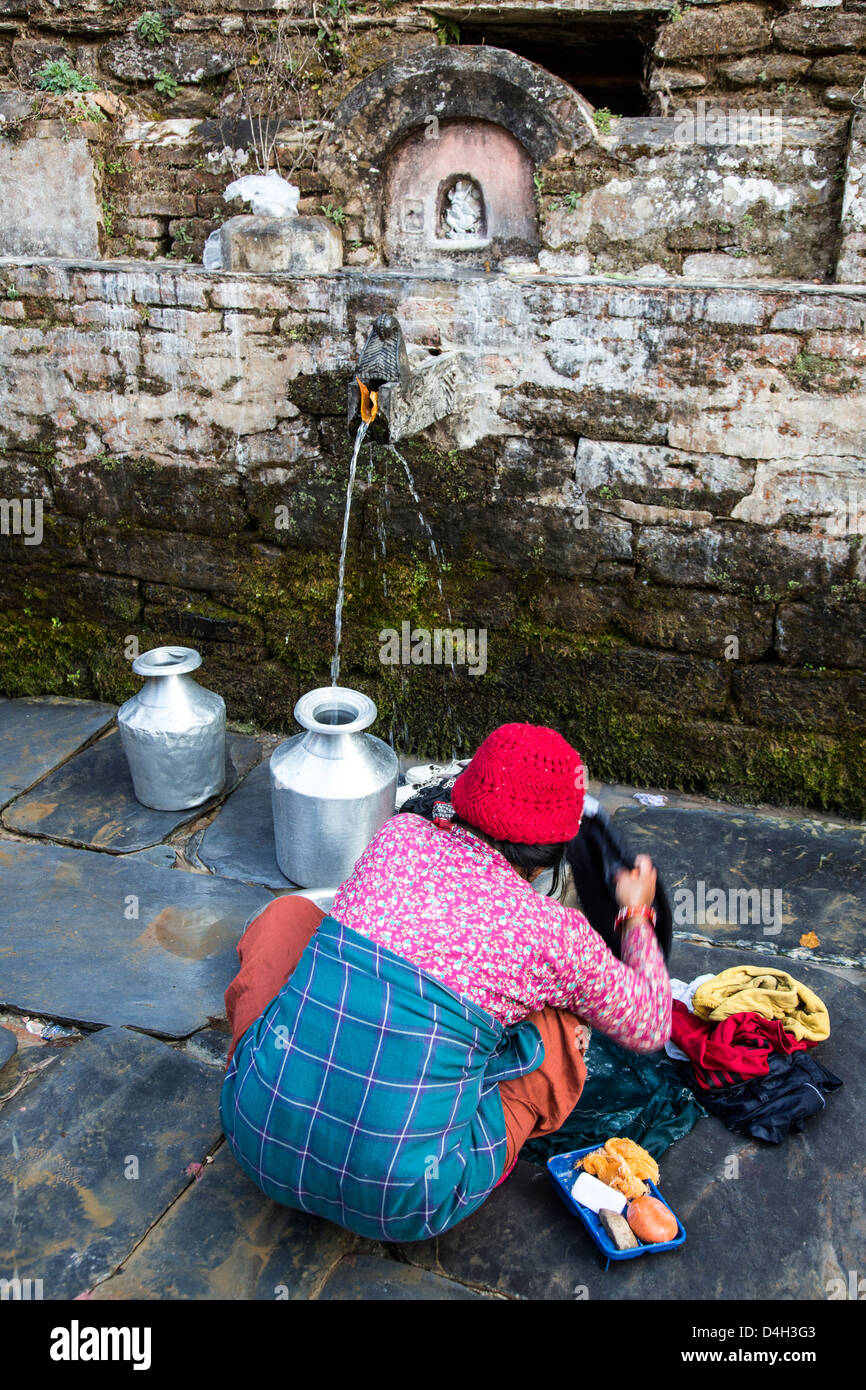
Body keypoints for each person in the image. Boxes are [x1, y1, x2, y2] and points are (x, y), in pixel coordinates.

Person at [220, 723, 671, 1241]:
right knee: (562, 1035)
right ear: (551, 855)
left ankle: (282, 1087)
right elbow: (652, 1023)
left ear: (464, 797)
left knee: (286, 919)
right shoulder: (554, 936)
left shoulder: (397, 837)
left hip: (254, 1135)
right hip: (403, 1201)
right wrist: (636, 913)